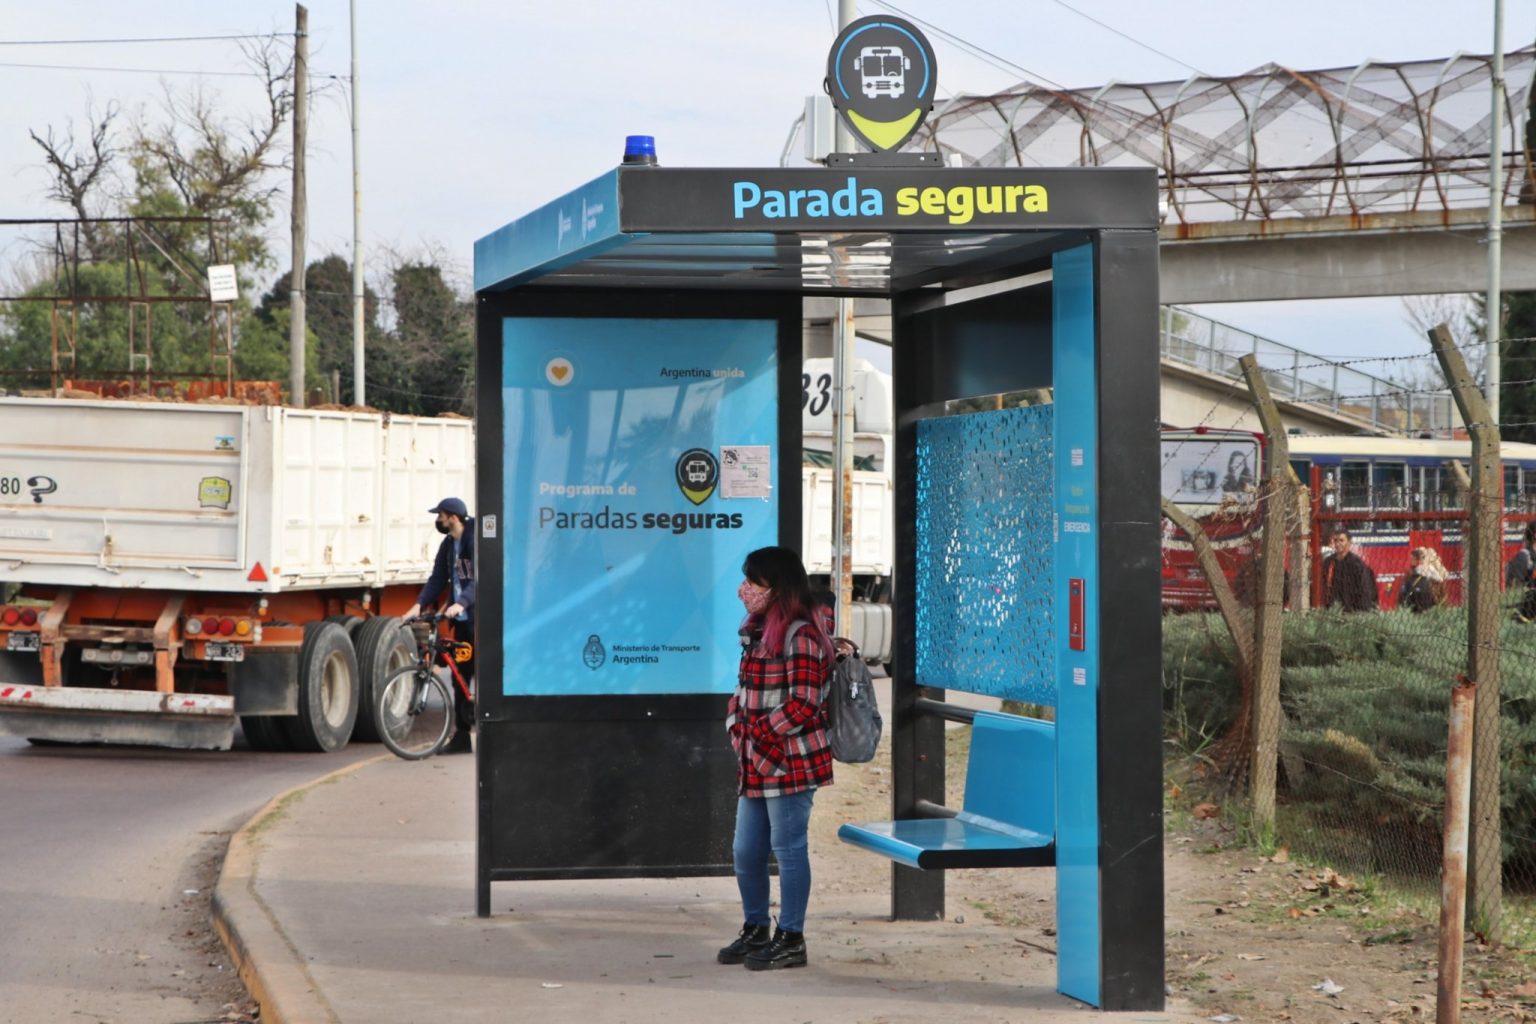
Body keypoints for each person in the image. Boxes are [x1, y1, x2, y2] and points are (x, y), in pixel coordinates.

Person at [719, 546, 835, 972]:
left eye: (755, 582)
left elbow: (806, 702)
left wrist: (761, 732)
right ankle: (756, 927)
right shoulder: (757, 629)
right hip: (756, 760)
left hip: (790, 762)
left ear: (778, 587)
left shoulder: (801, 634)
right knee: (746, 850)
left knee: (788, 849)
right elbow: (743, 689)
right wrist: (737, 723)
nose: (746, 590)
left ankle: (792, 936)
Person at [403, 497, 476, 754]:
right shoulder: (448, 545)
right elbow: (437, 579)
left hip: (480, 621)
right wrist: (418, 604)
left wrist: (462, 603)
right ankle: (463, 737)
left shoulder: (474, 540)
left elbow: (479, 578)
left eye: (440, 516)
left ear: (453, 517)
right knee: (461, 678)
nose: (438, 520)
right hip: (464, 624)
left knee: (485, 678)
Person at [1321, 528, 1378, 612]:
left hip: (1352, 610)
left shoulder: (1357, 565)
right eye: (1336, 540)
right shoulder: (1329, 562)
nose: (1338, 544)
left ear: (1349, 542)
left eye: (1341, 540)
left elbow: (1365, 590)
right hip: (1333, 610)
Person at [1398, 546, 1447, 614]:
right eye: (1411, 559)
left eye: (1413, 559)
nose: (1411, 561)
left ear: (1419, 559)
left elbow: (1439, 579)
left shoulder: (1429, 568)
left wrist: (1429, 579)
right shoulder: (1409, 570)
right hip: (1414, 595)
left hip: (1424, 592)